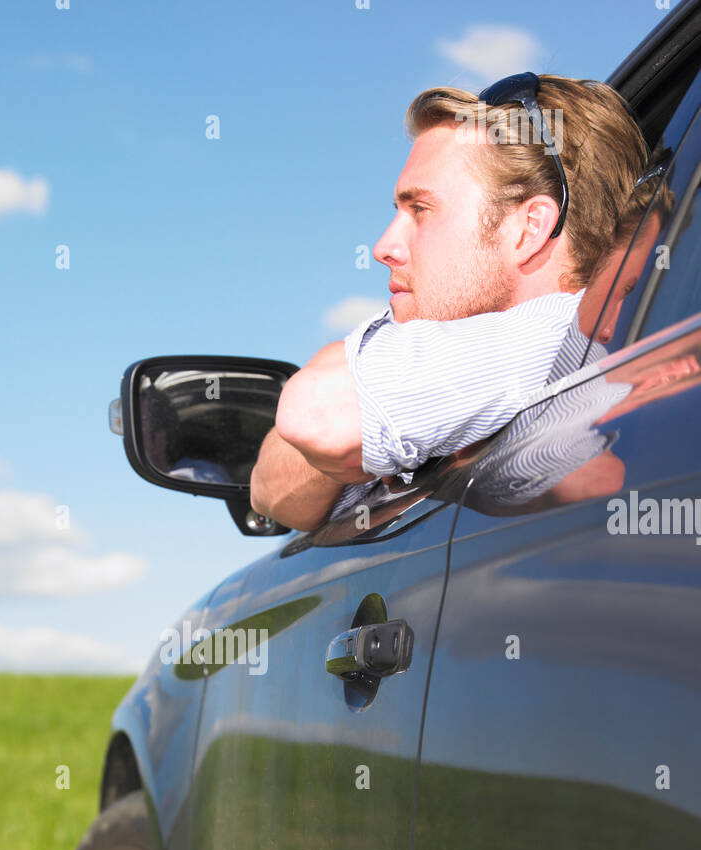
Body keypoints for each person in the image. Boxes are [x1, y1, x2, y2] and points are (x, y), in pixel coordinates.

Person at [249, 73, 650, 532]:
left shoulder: (552, 335)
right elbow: (272, 489)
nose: (383, 246)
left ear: (530, 227)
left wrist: (349, 373)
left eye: (419, 210)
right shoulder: (471, 359)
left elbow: (315, 415)